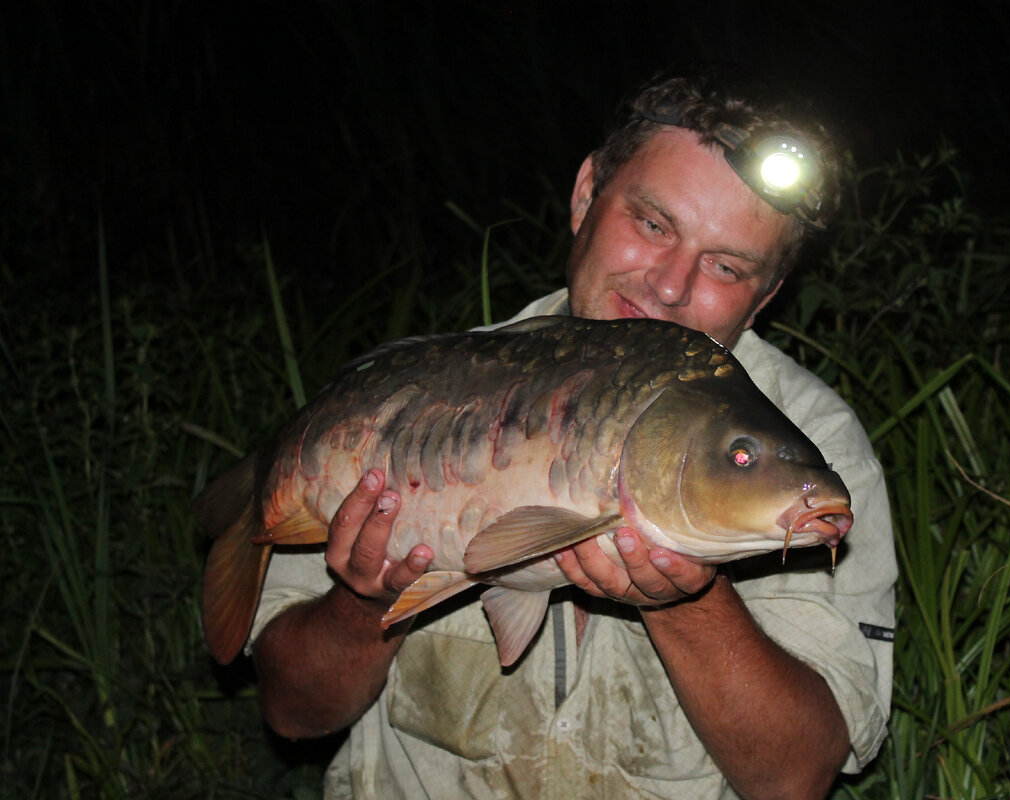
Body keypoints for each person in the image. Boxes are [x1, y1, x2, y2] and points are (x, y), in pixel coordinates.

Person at [247, 67, 896, 800]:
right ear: (587, 193)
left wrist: (687, 602)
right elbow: (292, 715)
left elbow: (795, 778)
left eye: (725, 266)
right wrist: (364, 601)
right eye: (653, 224)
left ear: (766, 297)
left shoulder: (815, 444)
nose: (671, 285)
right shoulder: (423, 394)